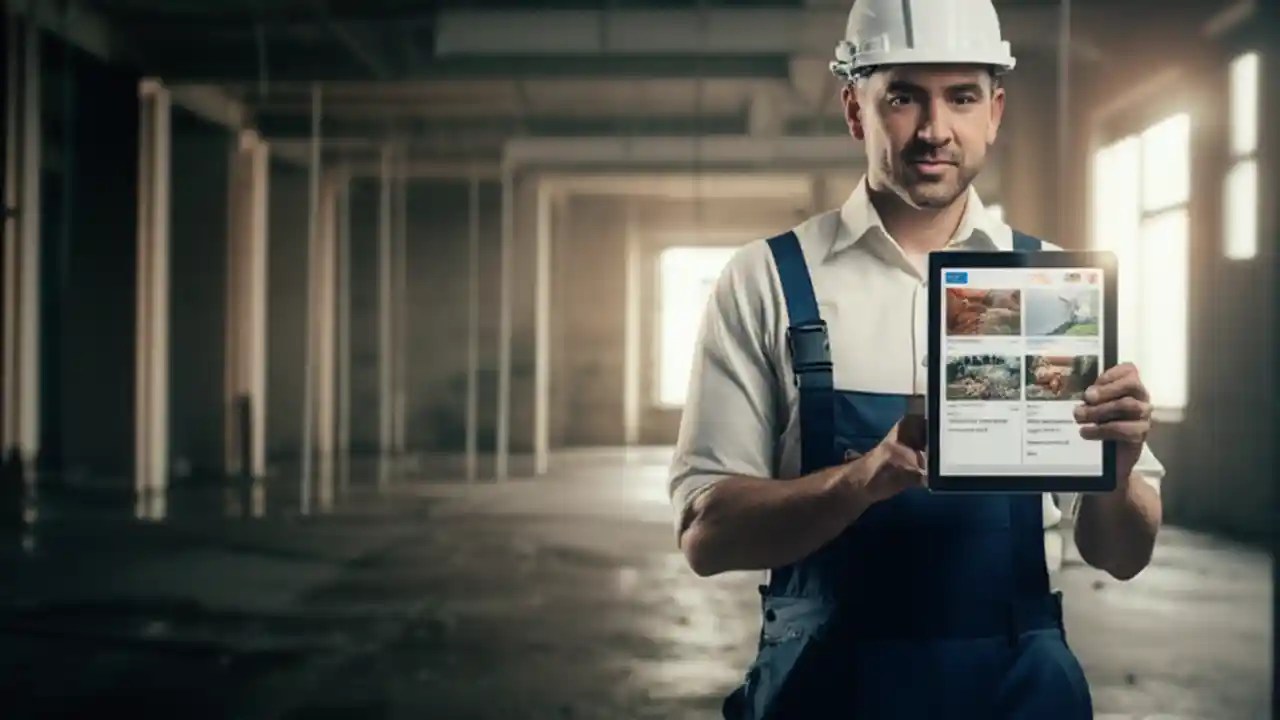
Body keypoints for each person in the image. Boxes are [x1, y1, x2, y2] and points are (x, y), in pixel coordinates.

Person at [667, 0, 1166, 717]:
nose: (934, 130)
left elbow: (1122, 554)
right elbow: (706, 536)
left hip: (1018, 690)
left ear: (994, 111)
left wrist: (1116, 473)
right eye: (903, 96)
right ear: (854, 108)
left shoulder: (1059, 290)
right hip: (827, 689)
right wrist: (860, 481)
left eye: (961, 97)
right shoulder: (768, 281)